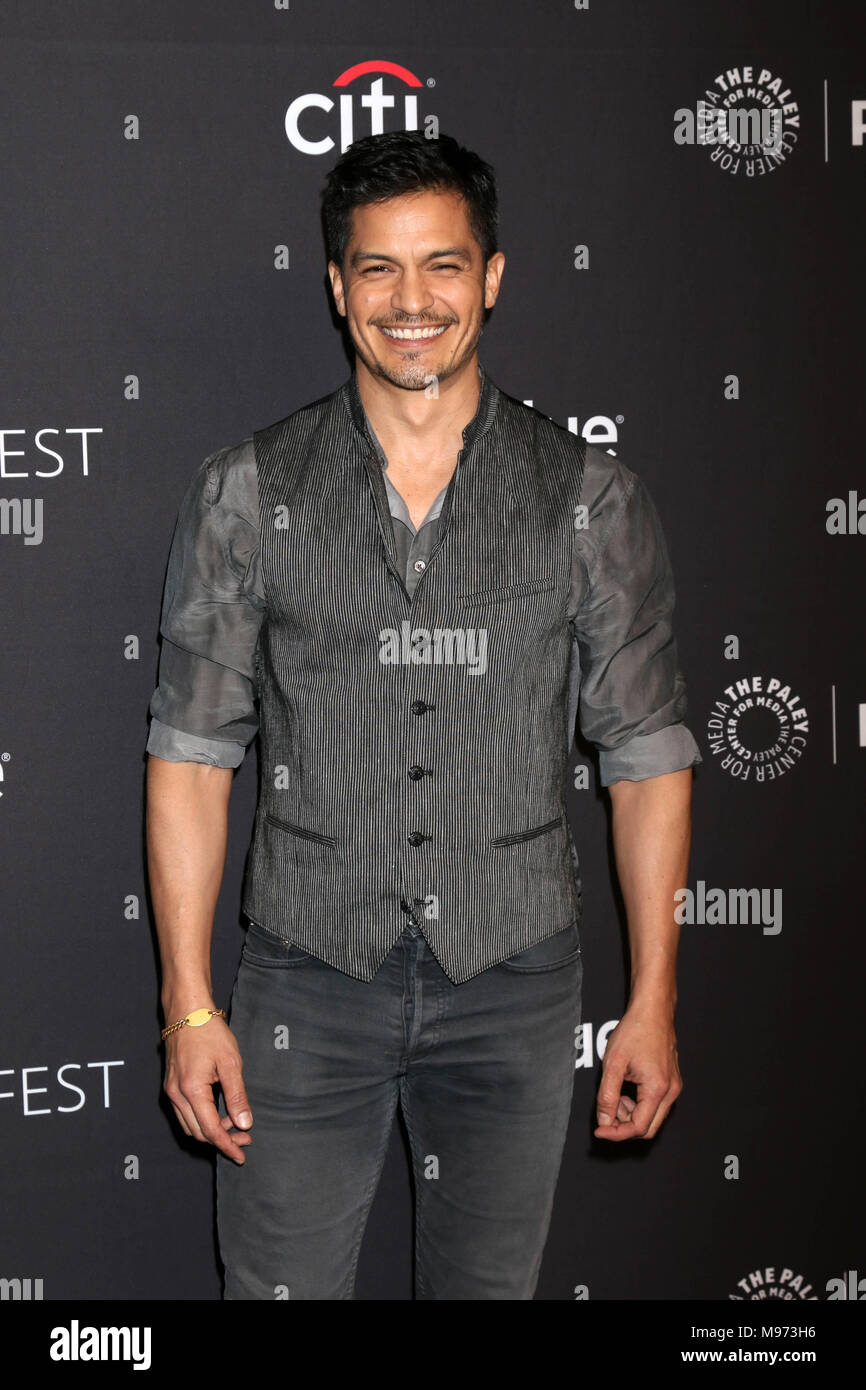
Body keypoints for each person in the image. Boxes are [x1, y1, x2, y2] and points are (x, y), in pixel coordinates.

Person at [144, 129, 701, 1301]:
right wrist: (188, 1003)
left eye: (443, 266)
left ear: (491, 279)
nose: (412, 302)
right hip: (303, 977)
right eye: (380, 269)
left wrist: (650, 1003)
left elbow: (644, 755)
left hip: (512, 979)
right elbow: (193, 756)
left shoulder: (588, 499)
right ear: (337, 285)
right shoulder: (246, 491)